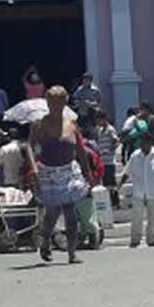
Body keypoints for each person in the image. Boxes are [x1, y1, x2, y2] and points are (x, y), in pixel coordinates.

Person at [30, 86, 90, 264]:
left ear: (65, 103)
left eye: (60, 102)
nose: (56, 105)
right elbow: (29, 147)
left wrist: (88, 174)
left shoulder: (71, 124)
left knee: (71, 213)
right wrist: (33, 167)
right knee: (52, 214)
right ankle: (46, 241)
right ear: (48, 103)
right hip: (48, 172)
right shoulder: (39, 125)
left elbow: (80, 150)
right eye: (53, 102)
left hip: (68, 172)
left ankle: (72, 253)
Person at [121, 133, 154, 248]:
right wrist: (119, 185)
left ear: (150, 143)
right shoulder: (135, 155)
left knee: (153, 217)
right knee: (136, 218)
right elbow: (127, 172)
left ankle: (151, 240)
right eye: (141, 143)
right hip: (138, 191)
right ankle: (135, 239)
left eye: (145, 143)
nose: (143, 145)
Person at [93, 114, 122, 209]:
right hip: (102, 162)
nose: (98, 123)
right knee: (105, 184)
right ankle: (109, 202)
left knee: (111, 183)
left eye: (99, 120)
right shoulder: (100, 130)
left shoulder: (110, 129)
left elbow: (116, 142)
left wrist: (108, 151)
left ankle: (116, 202)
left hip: (109, 161)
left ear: (104, 119)